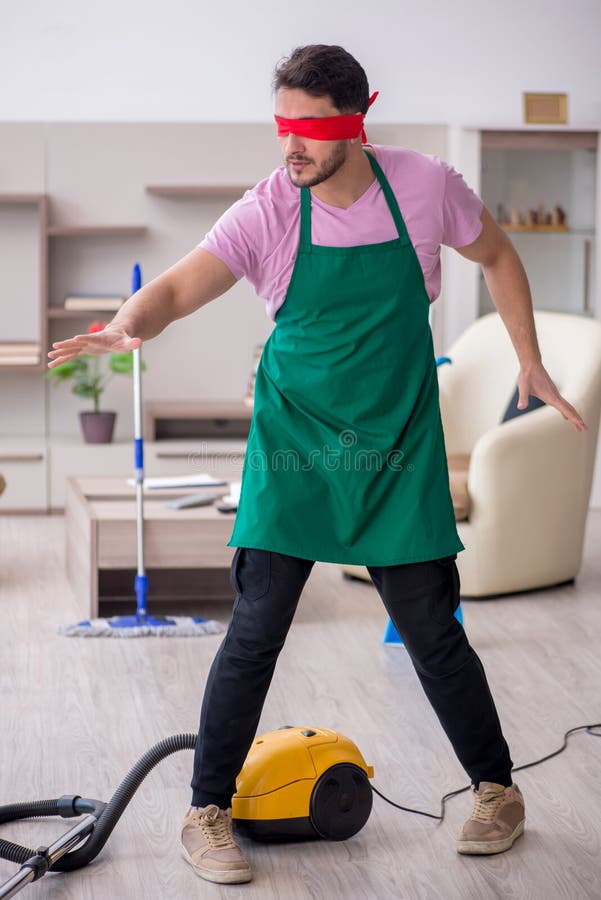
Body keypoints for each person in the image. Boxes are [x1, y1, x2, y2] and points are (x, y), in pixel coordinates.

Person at [48, 44, 587, 886]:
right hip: (295, 445)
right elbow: (187, 283)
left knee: (432, 633)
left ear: (353, 122)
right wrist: (130, 324)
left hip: (394, 446)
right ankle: (206, 812)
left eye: (308, 127)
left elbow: (499, 259)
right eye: (282, 126)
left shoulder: (425, 185)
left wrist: (529, 360)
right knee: (257, 628)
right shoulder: (268, 207)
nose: (290, 145)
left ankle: (496, 792)